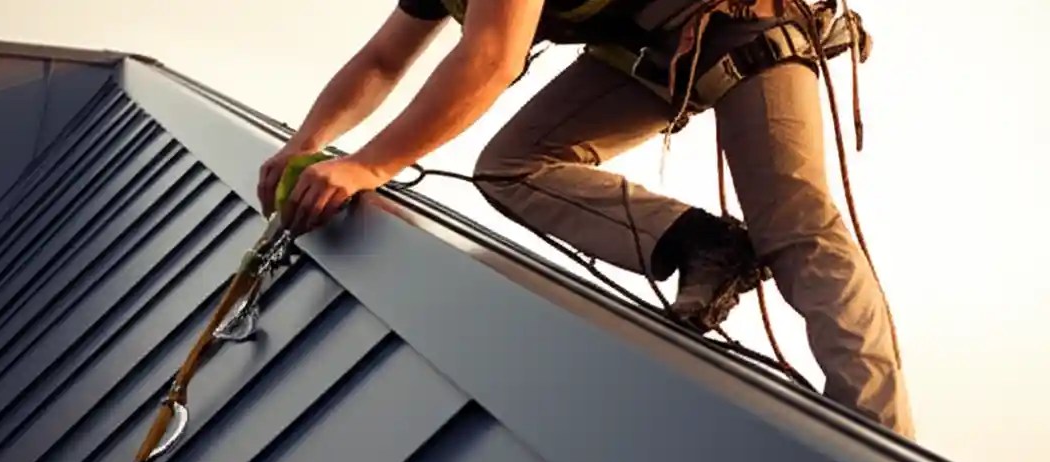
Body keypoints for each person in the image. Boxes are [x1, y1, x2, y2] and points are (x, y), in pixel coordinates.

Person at [257, 0, 914, 439]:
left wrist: (368, 166)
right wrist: (305, 142)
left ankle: (880, 439)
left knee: (794, 225)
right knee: (513, 166)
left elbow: (492, 57)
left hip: (744, 21)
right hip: (654, 47)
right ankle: (703, 244)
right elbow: (381, 60)